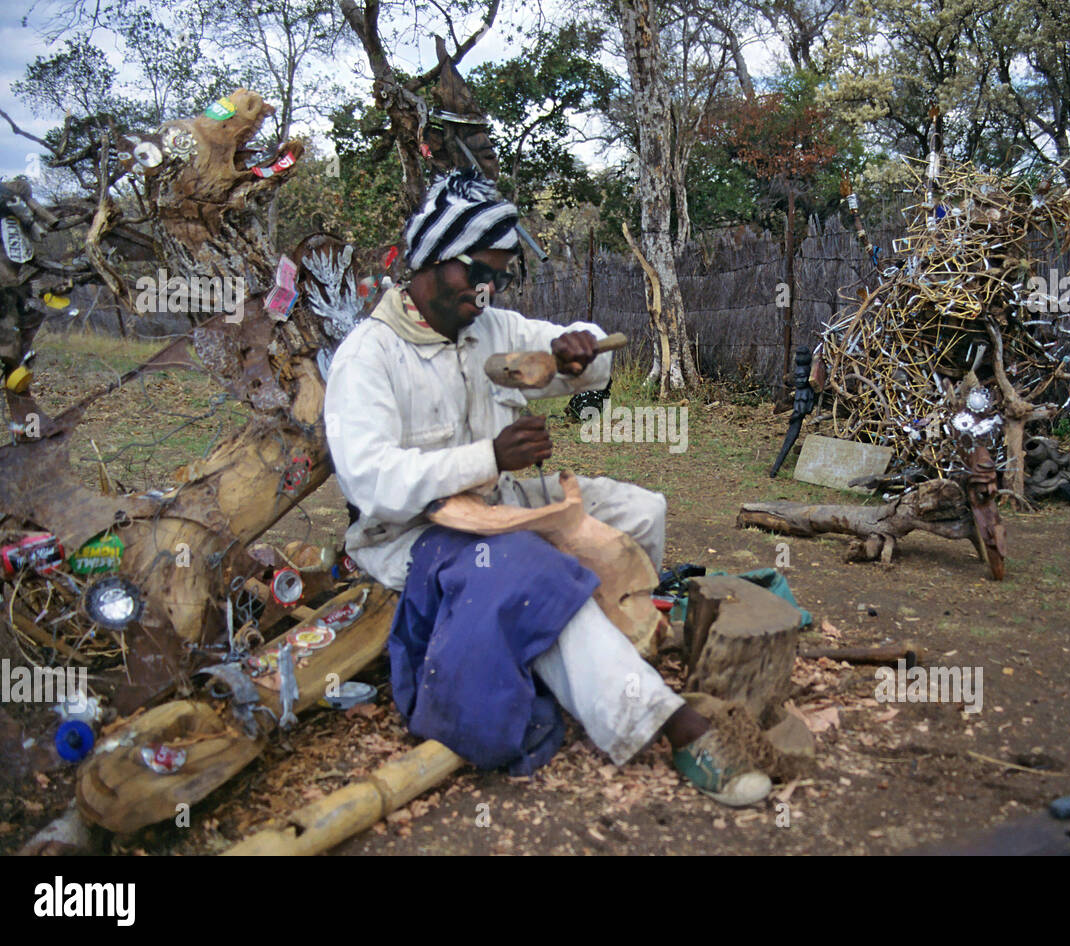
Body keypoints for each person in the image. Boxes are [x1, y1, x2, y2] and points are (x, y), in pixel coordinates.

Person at [323, 170, 770, 806]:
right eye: (477, 271)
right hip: (416, 533)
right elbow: (371, 481)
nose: (486, 290)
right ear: (429, 261)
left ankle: (614, 653)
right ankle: (671, 724)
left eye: (498, 277)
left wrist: (578, 351)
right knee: (529, 572)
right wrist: (487, 456)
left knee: (642, 511)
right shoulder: (370, 356)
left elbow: (569, 358)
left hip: (502, 507)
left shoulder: (492, 330)